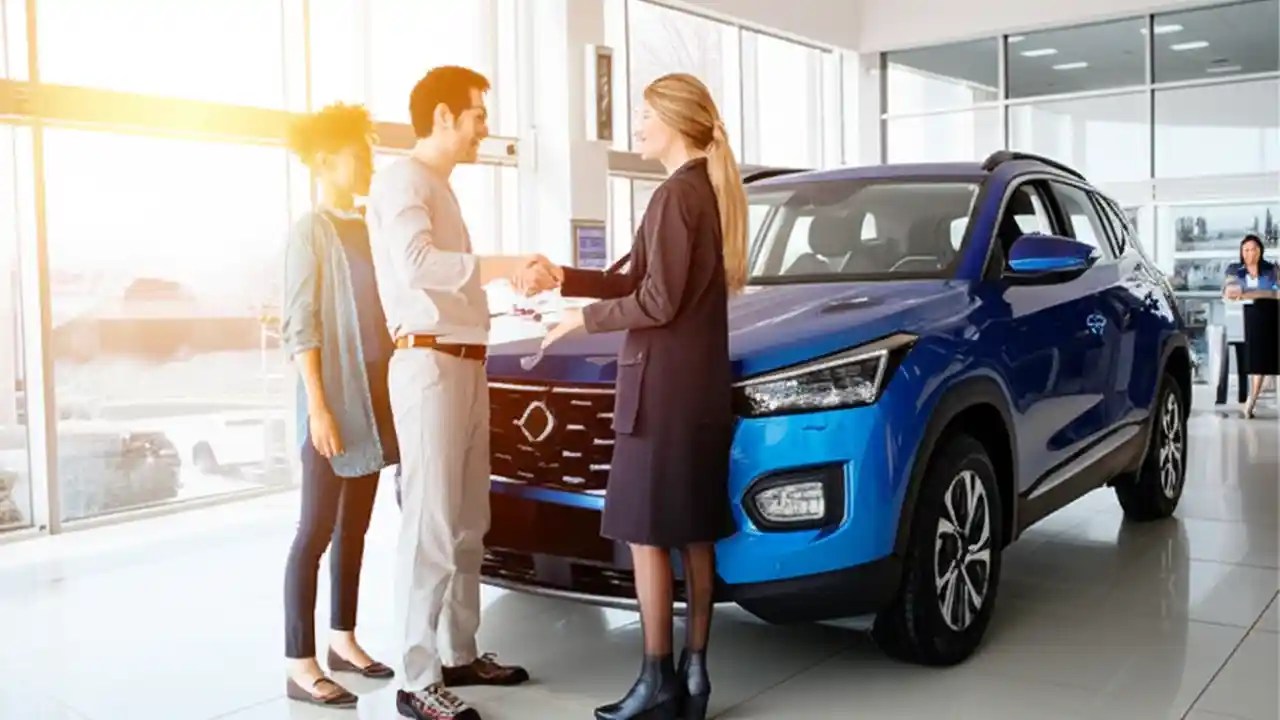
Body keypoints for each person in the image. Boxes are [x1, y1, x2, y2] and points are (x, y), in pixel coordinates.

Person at [520, 72, 746, 720]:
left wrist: (577, 321)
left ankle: (656, 683)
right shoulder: (704, 191)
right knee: (695, 536)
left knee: (649, 538)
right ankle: (693, 680)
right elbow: (641, 278)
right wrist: (564, 277)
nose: (638, 127)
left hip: (661, 394)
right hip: (694, 391)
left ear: (675, 121)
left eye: (646, 115)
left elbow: (654, 299)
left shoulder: (675, 196)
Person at [364, 65, 536, 720]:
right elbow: (416, 265)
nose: (483, 129)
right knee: (431, 524)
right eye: (476, 116)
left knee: (469, 522)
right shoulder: (403, 180)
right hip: (429, 367)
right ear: (442, 116)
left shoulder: (438, 186)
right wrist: (504, 266)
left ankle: (461, 652)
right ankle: (416, 678)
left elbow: (447, 277)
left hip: (465, 362)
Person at [280, 103, 398, 708]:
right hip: (333, 401)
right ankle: (300, 663)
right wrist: (318, 409)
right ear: (327, 159)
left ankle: (343, 639)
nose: (368, 164)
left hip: (375, 398)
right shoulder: (310, 230)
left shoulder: (366, 226)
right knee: (315, 532)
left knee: (356, 527)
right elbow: (301, 325)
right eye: (360, 153)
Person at [1223, 233, 1280, 418]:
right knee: (1256, 362)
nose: (1250, 253)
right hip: (1245, 319)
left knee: (1266, 361)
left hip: (1271, 317)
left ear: (1260, 251)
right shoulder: (1235, 269)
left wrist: (1247, 293)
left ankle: (1251, 402)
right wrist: (1264, 293)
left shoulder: (1272, 269)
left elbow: (1278, 293)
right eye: (1246, 249)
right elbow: (1230, 291)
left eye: (1254, 249)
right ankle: (1250, 402)